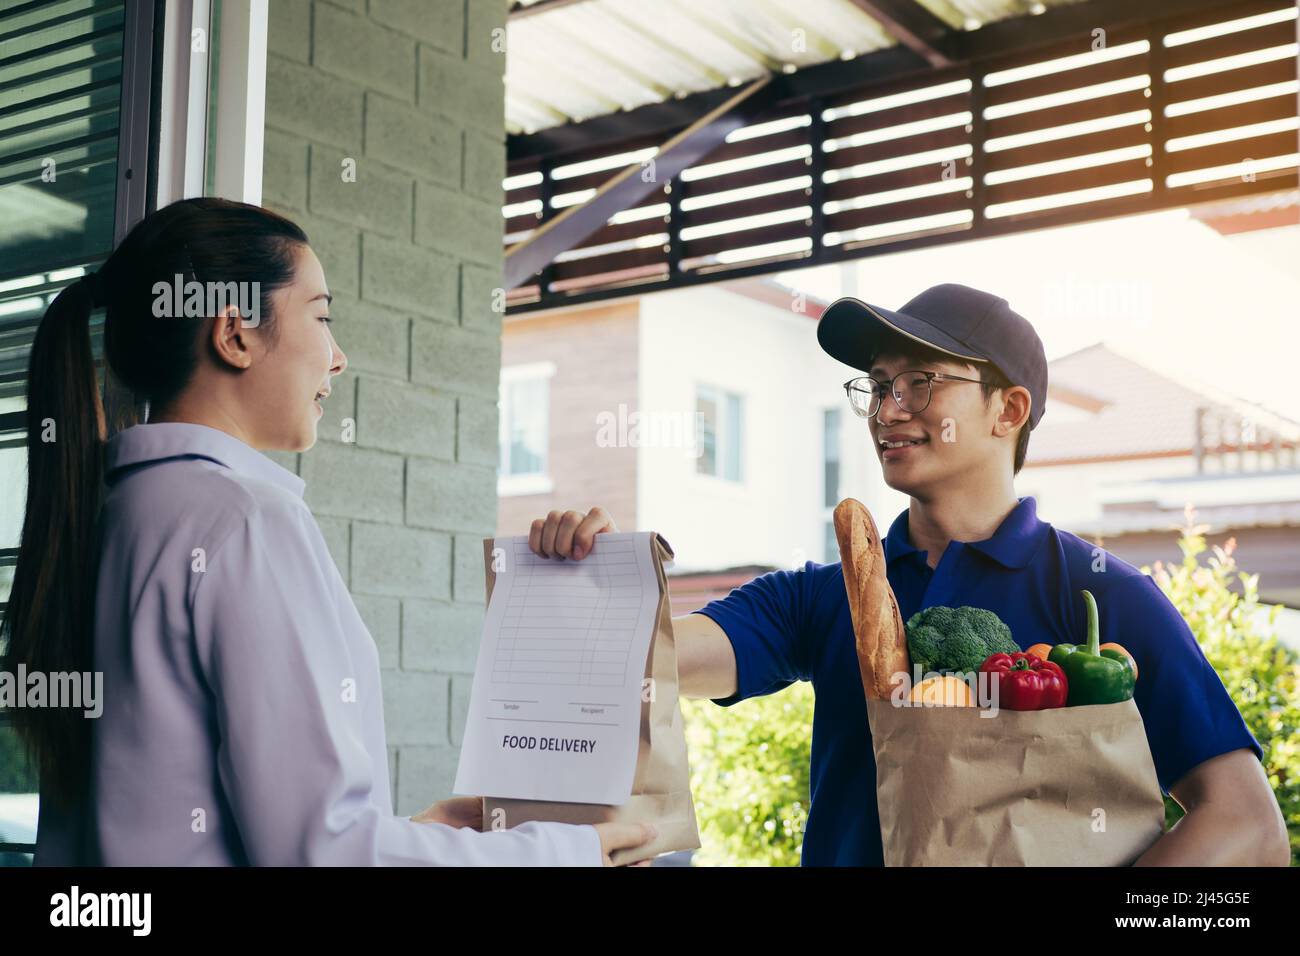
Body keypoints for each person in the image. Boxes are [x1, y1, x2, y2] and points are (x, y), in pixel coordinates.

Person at [527, 282, 1290, 866]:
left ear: (1008, 410)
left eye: (920, 381)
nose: (887, 409)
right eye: (877, 384)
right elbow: (649, 659)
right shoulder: (822, 596)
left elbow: (1246, 824)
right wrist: (583, 581)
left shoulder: (1102, 594)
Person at [4, 197, 653, 866]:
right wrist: (563, 853)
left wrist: (413, 832)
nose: (338, 358)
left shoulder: (107, 514)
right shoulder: (247, 520)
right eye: (321, 317)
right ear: (235, 336)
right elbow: (323, 854)